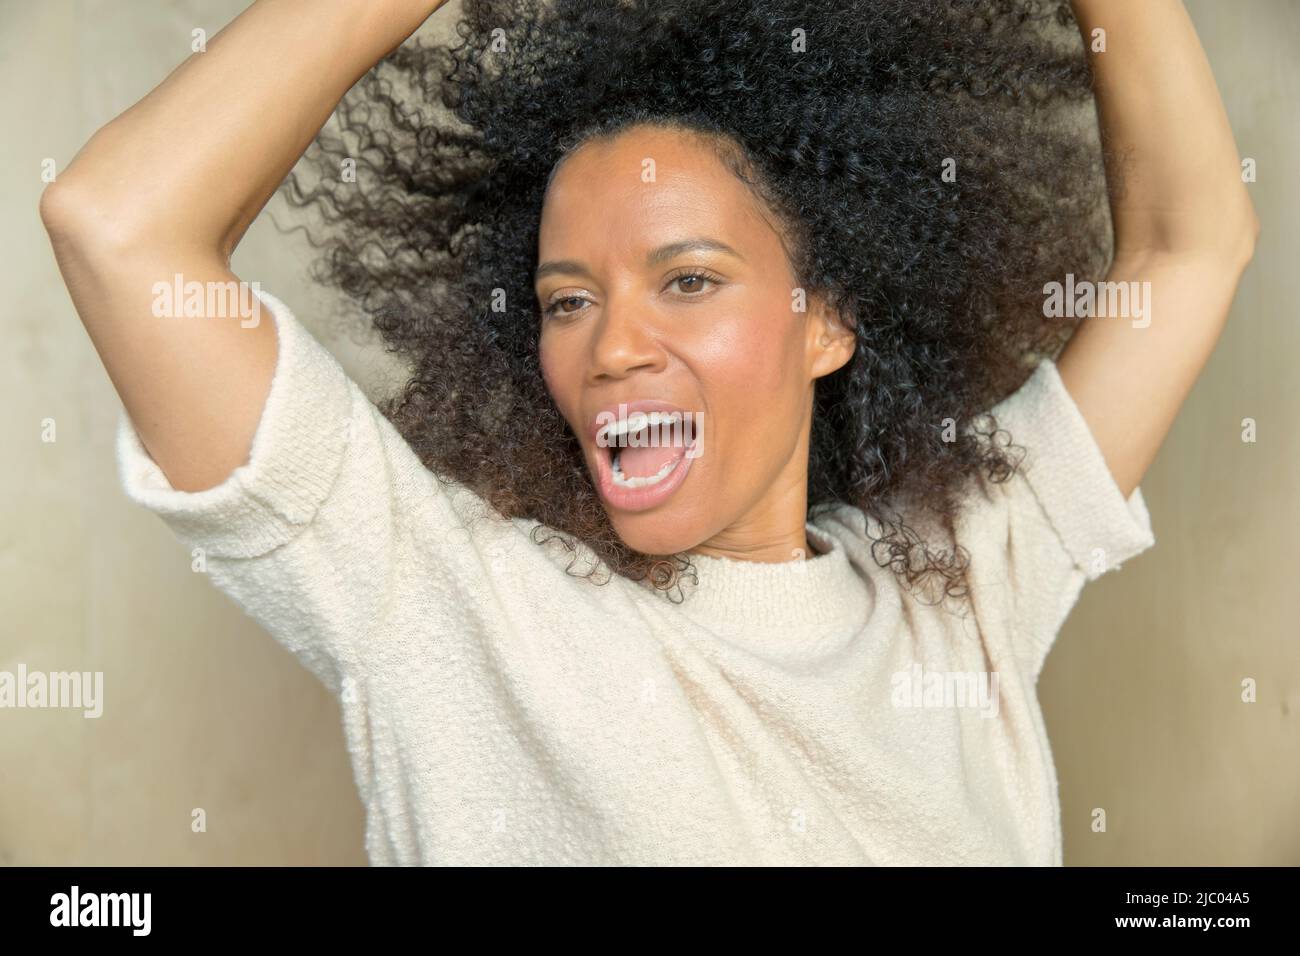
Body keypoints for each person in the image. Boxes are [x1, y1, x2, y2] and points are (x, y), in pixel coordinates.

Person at [40, 0, 1258, 865]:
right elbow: (118, 223)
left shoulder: (962, 577)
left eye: (687, 279)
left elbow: (1186, 249)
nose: (611, 344)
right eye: (568, 299)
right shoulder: (448, 604)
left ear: (824, 318)